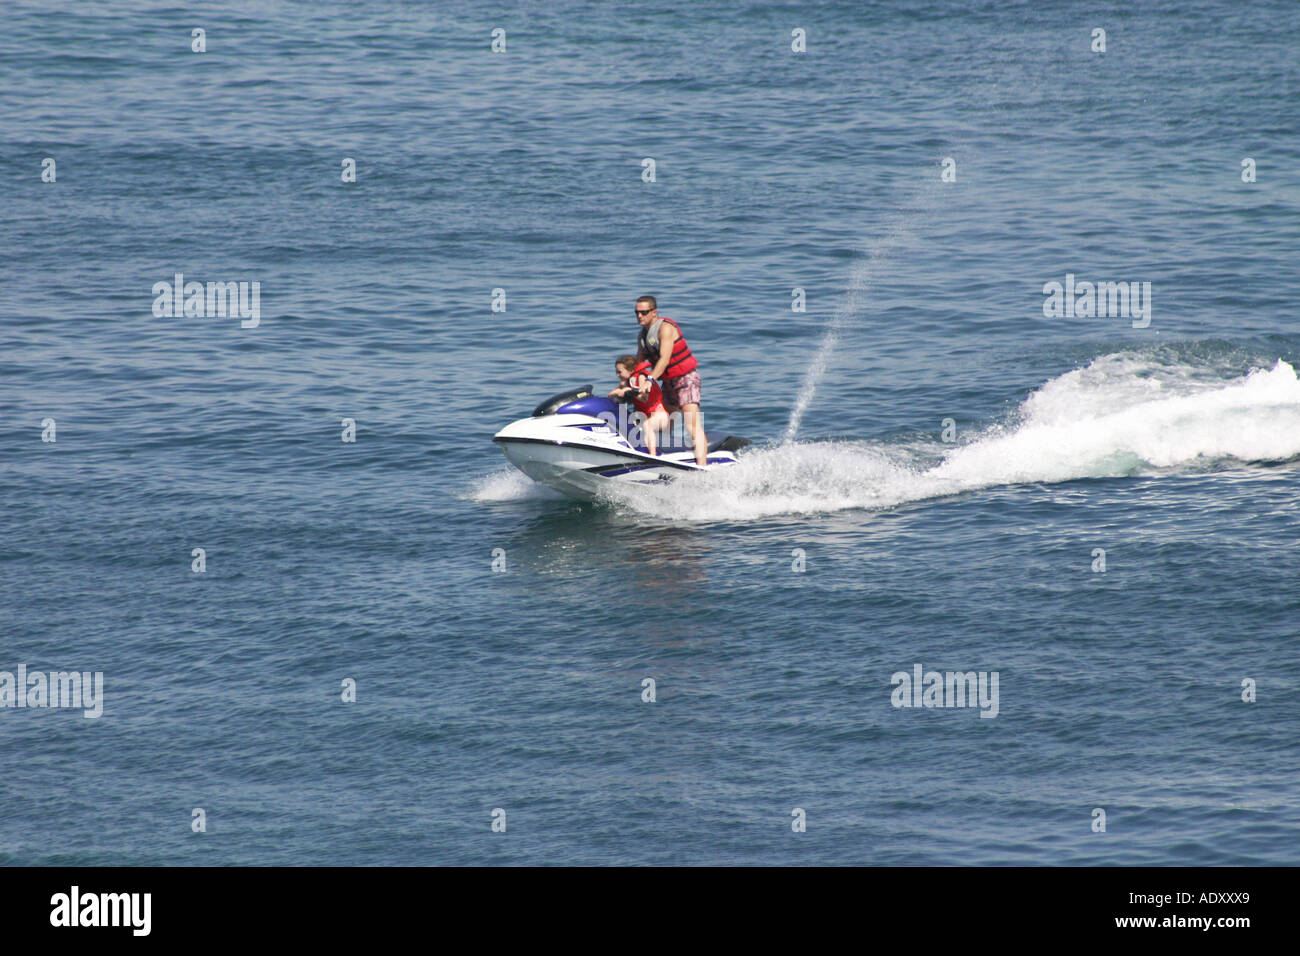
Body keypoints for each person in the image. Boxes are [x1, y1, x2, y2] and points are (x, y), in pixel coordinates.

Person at [633, 295, 707, 466]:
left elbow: (664, 359)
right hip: (668, 383)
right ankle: (664, 459)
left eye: (644, 312)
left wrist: (649, 380)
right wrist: (627, 385)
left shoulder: (665, 328)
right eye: (636, 312)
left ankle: (703, 468)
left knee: (691, 425)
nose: (639, 316)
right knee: (664, 422)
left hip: (686, 379)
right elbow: (639, 365)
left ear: (654, 312)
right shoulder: (642, 337)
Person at [608, 355, 670, 455]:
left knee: (647, 425)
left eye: (619, 372)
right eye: (616, 372)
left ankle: (653, 456)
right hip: (642, 416)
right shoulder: (627, 382)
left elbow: (644, 398)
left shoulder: (641, 377)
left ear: (631, 370)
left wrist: (628, 391)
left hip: (659, 415)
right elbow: (614, 394)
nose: (617, 375)